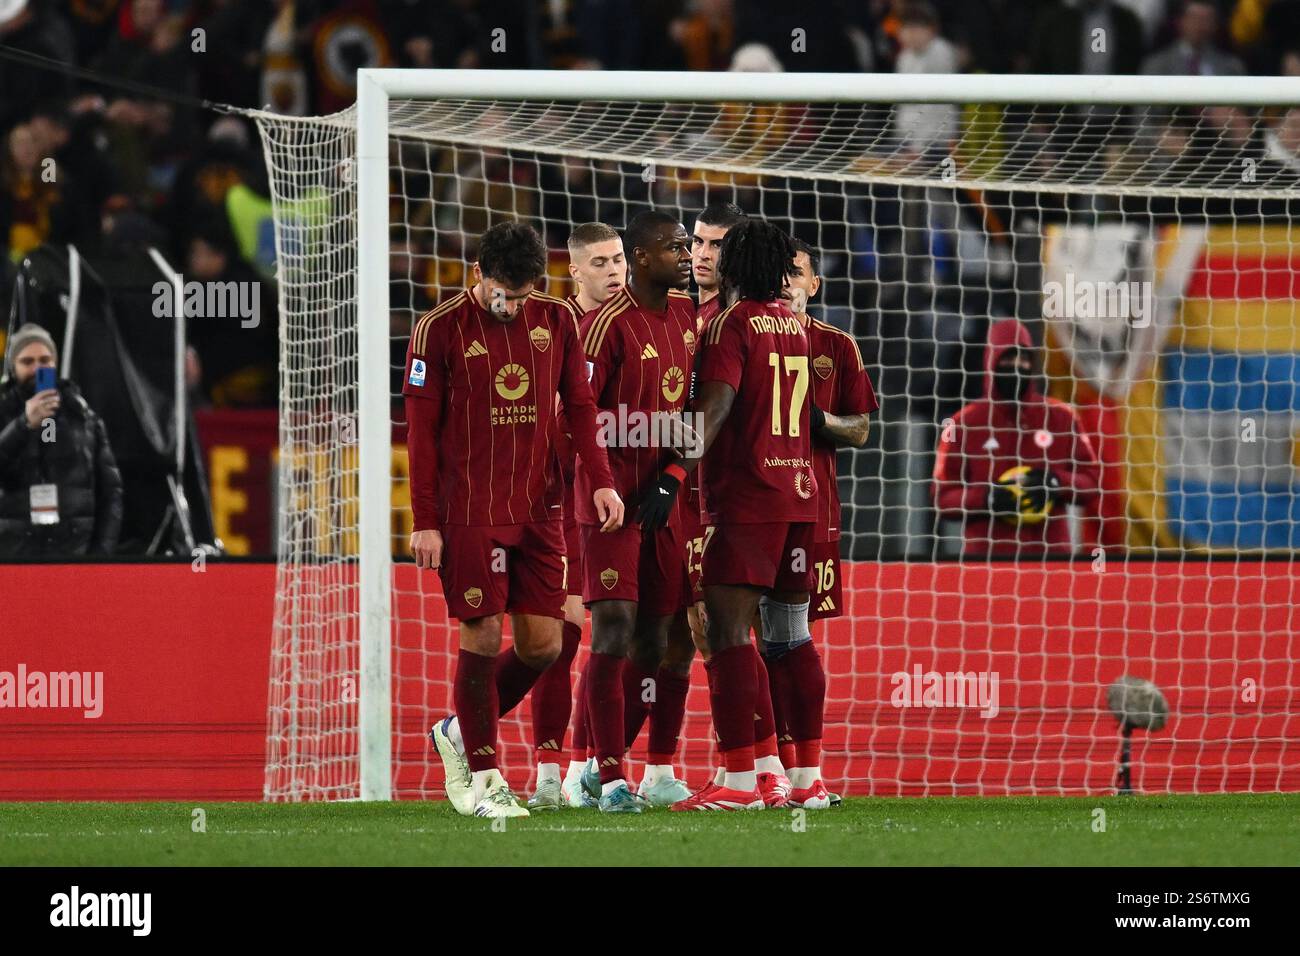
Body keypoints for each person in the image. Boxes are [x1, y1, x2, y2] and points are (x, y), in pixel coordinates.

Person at [405, 222, 624, 818]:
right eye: (505, 293)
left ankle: (456, 731)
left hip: (538, 509)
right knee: (481, 634)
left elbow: (581, 406)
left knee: (544, 645)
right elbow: (421, 437)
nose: (515, 305)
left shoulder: (555, 320)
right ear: (478, 276)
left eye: (525, 294)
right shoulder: (438, 330)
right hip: (468, 511)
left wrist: (602, 481)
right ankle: (484, 778)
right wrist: (424, 520)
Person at [640, 219, 816, 811]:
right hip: (798, 493)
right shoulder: (794, 322)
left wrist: (672, 475)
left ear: (736, 265)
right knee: (784, 637)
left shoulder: (729, 324)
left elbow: (713, 411)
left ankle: (740, 781)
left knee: (725, 632)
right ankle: (792, 777)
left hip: (748, 496)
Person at [576, 210, 696, 813]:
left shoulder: (687, 316)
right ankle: (606, 773)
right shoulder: (605, 327)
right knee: (615, 627)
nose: (685, 254)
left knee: (656, 637)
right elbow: (578, 415)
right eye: (674, 247)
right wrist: (605, 486)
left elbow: (702, 413)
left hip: (663, 501)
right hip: (610, 501)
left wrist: (673, 478)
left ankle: (610, 764)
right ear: (643, 258)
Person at [762, 239, 877, 809]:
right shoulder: (748, 332)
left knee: (790, 637)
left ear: (815, 284)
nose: (786, 282)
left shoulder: (836, 346)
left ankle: (798, 770)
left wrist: (817, 420)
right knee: (745, 638)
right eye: (779, 273)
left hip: (813, 512)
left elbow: (859, 429)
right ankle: (770, 772)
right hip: (749, 508)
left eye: (797, 273)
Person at [526, 221, 627, 810]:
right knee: (560, 638)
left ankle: (591, 768)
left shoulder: (639, 323)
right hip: (560, 501)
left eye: (618, 260)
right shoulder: (554, 327)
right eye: (600, 263)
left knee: (622, 636)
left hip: (617, 499)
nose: (613, 271)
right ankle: (547, 773)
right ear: (575, 271)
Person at [932, 318, 1101, 556]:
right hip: (987, 561)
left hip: (1051, 558)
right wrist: (988, 498)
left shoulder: (1062, 416)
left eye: (1023, 359)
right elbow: (943, 497)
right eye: (1009, 358)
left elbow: (1092, 481)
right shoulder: (962, 422)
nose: (1017, 366)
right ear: (992, 361)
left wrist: (1055, 482)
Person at [0, 323, 122, 558]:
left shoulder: (84, 417)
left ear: (55, 364)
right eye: (27, 362)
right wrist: (23, 425)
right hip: (12, 559)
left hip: (72, 558)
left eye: (45, 360)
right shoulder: (3, 414)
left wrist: (101, 555)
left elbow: (111, 492)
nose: (37, 368)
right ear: (13, 368)